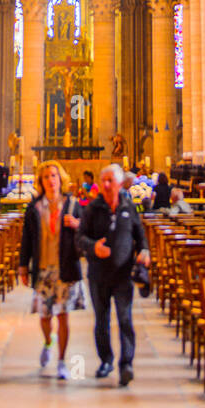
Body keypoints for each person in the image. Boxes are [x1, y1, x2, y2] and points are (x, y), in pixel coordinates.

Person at [77, 163, 150, 387]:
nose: (106, 185)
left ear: (119, 184)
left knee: (125, 319)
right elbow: (80, 238)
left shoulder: (128, 205)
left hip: (122, 273)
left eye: (110, 181)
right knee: (102, 320)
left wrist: (144, 250)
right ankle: (106, 360)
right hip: (99, 274)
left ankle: (126, 364)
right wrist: (93, 247)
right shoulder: (92, 208)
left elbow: (140, 234)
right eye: (104, 180)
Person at [19, 160, 84, 380]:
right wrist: (22, 266)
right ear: (41, 181)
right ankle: (48, 341)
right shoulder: (34, 207)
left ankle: (62, 361)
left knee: (63, 315)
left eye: (53, 176)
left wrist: (77, 224)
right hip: (43, 267)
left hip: (65, 267)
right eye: (46, 177)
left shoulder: (73, 204)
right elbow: (26, 239)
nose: (50, 180)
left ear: (60, 178)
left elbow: (86, 231)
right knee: (45, 317)